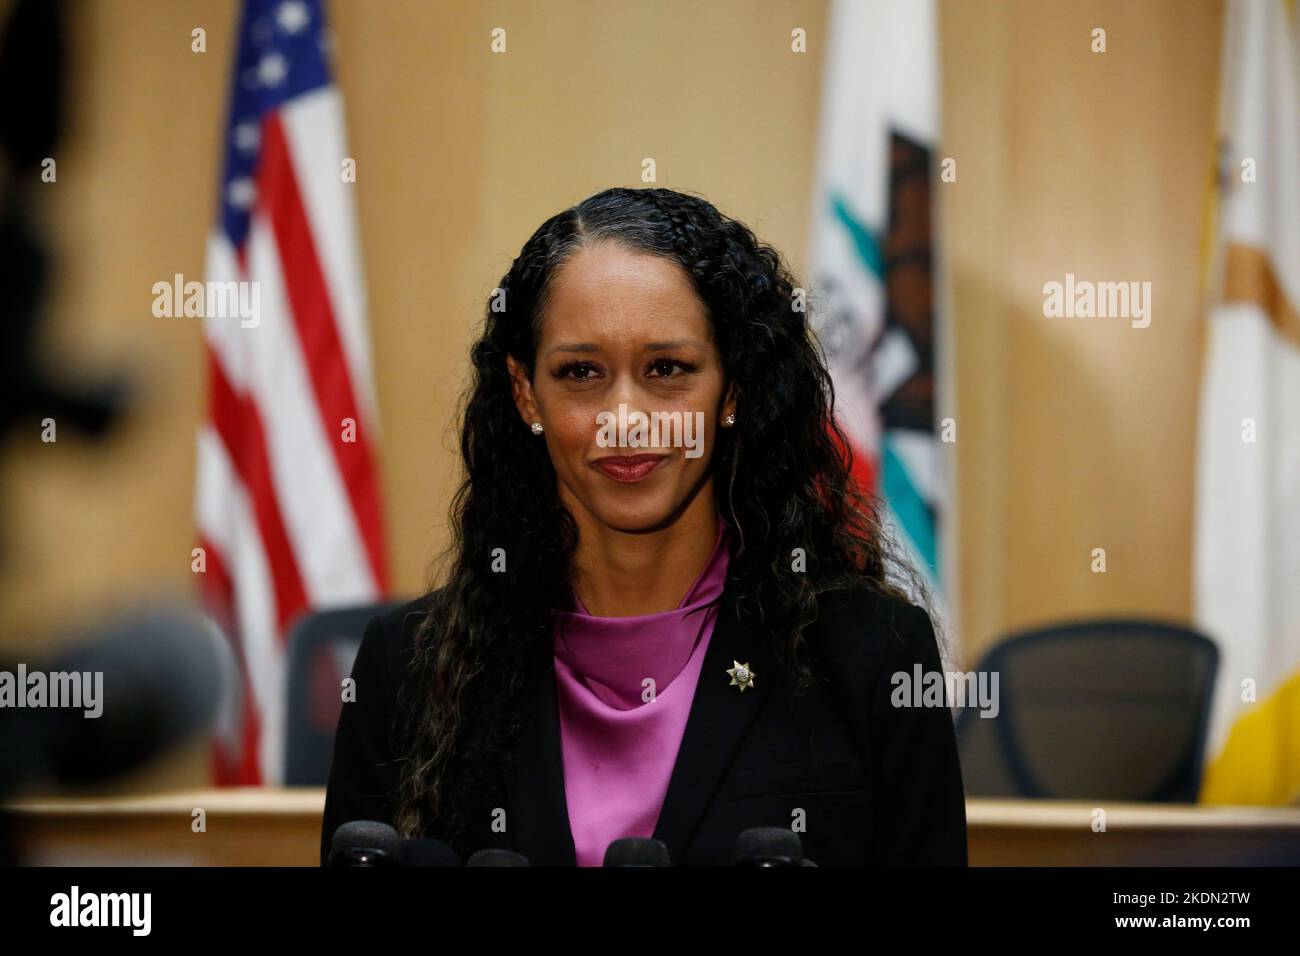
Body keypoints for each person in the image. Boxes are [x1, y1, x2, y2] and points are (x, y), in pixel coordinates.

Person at [320, 186, 966, 866]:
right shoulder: (409, 666)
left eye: (667, 370)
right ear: (525, 394)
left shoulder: (871, 654)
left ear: (733, 391)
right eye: (581, 373)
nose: (624, 418)